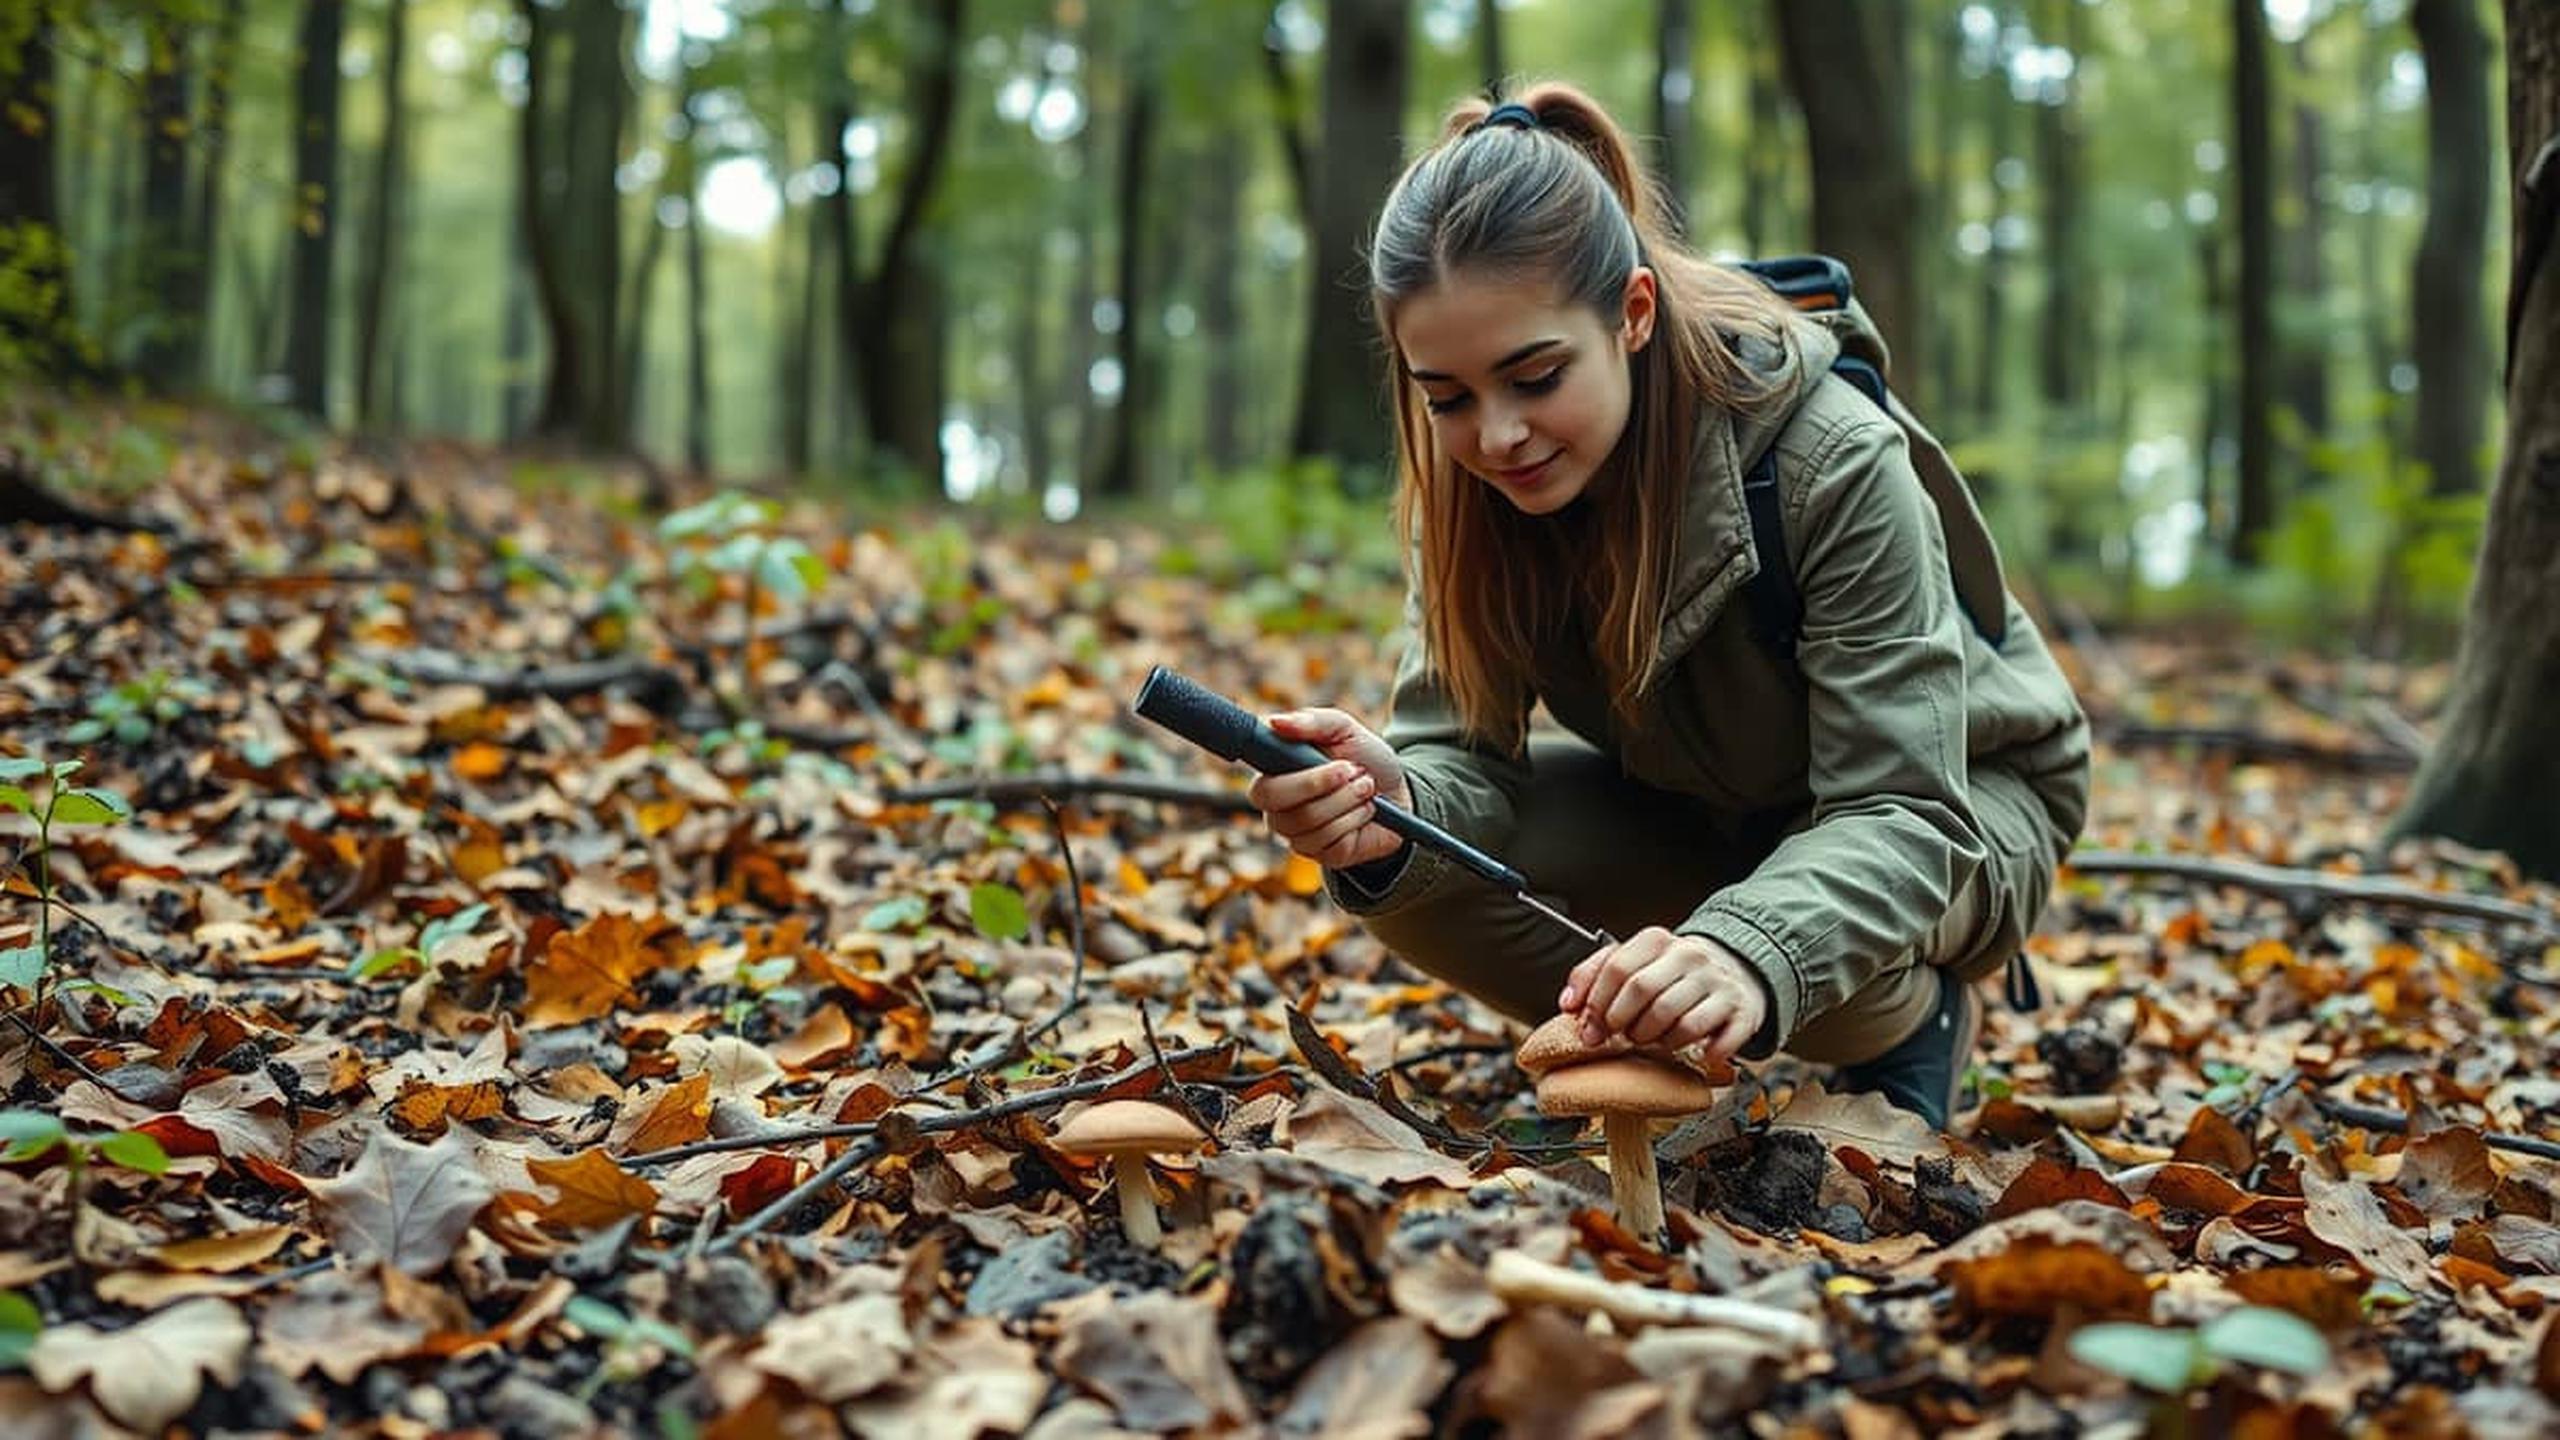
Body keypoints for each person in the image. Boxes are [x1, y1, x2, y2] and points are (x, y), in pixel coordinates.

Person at [1243, 83, 2091, 1129]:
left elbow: (1902, 809)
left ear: (1632, 314)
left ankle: (1905, 1025)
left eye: (1535, 377)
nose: (1496, 436)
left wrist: (1742, 950)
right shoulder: (1472, 489)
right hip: (1716, 800)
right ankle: (1669, 1050)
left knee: (1811, 955)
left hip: (1962, 799)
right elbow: (1465, 756)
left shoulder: (1830, 458)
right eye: (1447, 397)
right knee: (1421, 878)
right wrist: (1398, 803)